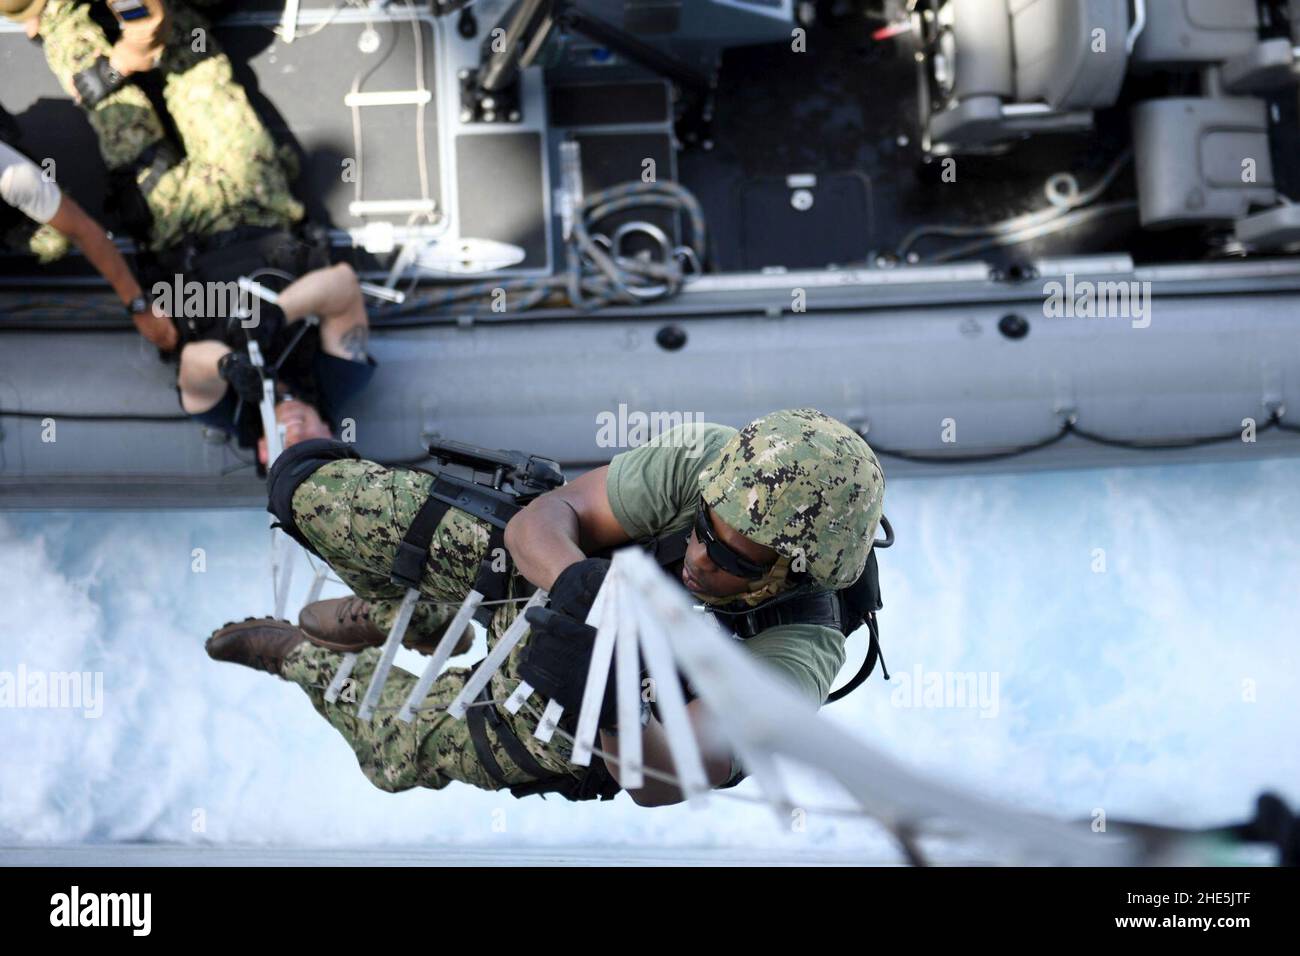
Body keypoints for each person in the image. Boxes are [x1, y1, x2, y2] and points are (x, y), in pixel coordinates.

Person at [205, 408, 886, 805]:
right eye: (704, 527)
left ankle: (302, 661)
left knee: (400, 748)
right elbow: (544, 519)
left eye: (738, 560)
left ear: (797, 569)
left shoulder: (797, 655)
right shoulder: (708, 460)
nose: (703, 557)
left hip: (593, 718)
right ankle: (405, 612)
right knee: (313, 493)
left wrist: (613, 696)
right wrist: (580, 590)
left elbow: (661, 779)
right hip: (562, 589)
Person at [0, 106, 176, 349]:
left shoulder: (15, 176)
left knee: (54, 241)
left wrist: (140, 307)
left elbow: (83, 230)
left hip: (13, 196)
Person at [175, 261, 376, 468]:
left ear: (264, 451)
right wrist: (277, 314)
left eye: (288, 446)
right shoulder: (341, 381)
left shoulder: (225, 415)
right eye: (310, 446)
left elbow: (191, 360)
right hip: (277, 243)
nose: (296, 433)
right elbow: (343, 283)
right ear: (328, 434)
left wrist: (228, 365)